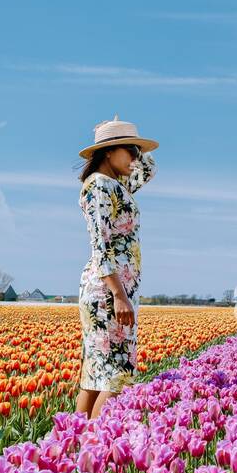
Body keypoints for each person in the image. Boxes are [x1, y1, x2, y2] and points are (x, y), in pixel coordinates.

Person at [75, 116, 158, 419]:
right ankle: (93, 449)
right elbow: (100, 244)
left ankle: (75, 449)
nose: (135, 159)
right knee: (117, 375)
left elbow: (147, 171)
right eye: (130, 151)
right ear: (109, 151)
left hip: (114, 289)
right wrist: (119, 295)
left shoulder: (116, 185)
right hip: (109, 292)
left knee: (96, 374)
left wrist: (136, 146)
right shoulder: (98, 186)